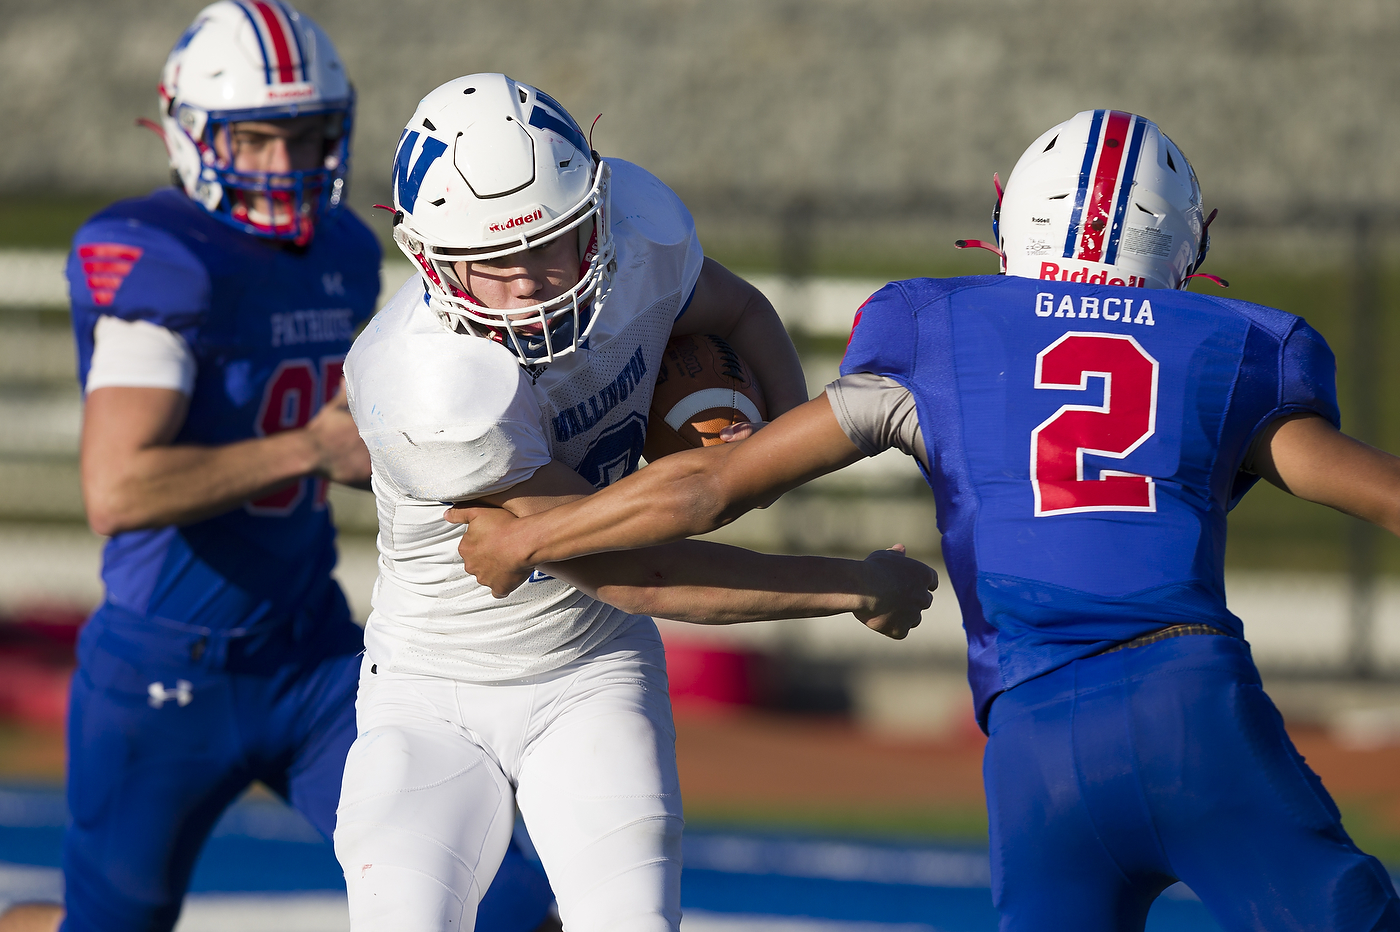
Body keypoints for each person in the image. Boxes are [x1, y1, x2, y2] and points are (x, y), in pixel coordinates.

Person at [450, 109, 1400, 930]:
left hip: (1035, 750)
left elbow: (715, 486)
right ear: (1190, 241)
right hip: (1188, 707)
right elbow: (1373, 490)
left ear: (1005, 222)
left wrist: (528, 536)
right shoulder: (1233, 348)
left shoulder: (936, 329)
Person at [334, 72, 937, 932]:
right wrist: (850, 584)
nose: (536, 283)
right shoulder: (424, 380)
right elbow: (642, 571)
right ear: (431, 261)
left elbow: (741, 311)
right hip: (435, 688)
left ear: (595, 210)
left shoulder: (639, 236)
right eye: (498, 265)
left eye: (556, 241)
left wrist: (768, 425)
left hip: (591, 672)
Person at [0, 6, 555, 932]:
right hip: (163, 675)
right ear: (188, 132)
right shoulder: (159, 253)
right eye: (252, 138)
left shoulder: (339, 248)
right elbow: (116, 490)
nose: (281, 165)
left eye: (302, 137)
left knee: (503, 907)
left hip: (312, 657)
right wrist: (308, 448)